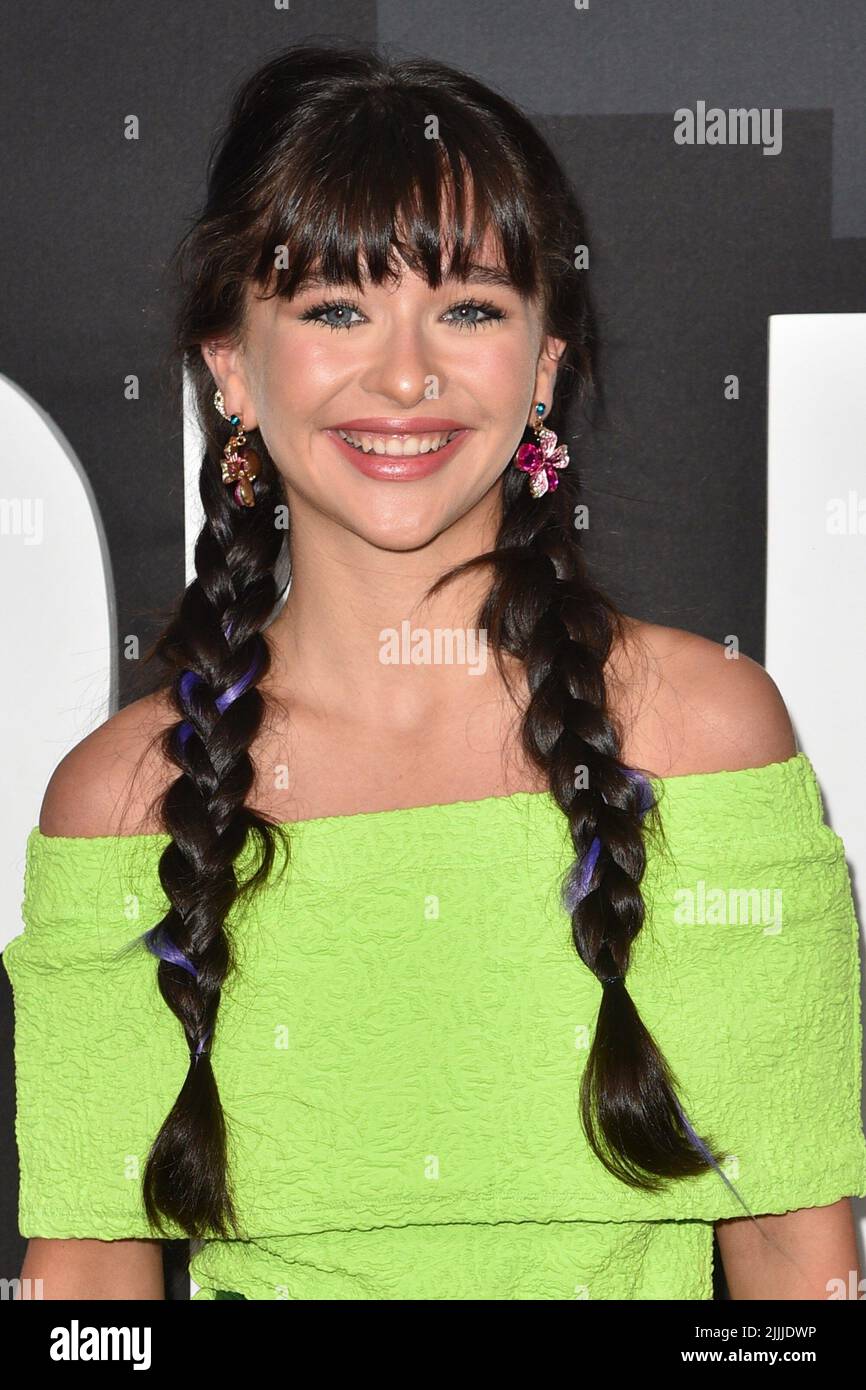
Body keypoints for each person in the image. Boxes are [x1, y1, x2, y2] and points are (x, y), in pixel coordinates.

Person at [5, 43, 865, 1301]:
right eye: (335, 309)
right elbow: (84, 1289)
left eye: (467, 309)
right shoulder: (122, 797)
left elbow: (798, 1265)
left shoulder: (703, 735)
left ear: (544, 368)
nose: (404, 376)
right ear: (231, 368)